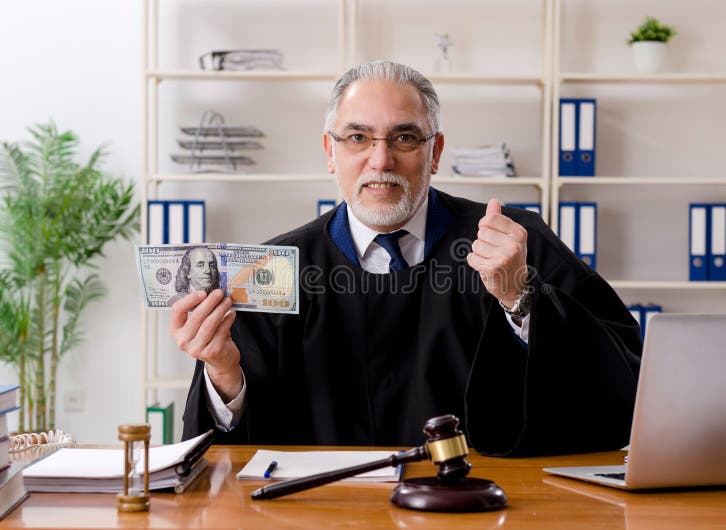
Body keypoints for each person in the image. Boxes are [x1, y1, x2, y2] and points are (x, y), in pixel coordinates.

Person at [172, 61, 642, 456]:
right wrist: (224, 374)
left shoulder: (513, 244)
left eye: (404, 138)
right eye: (358, 137)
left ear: (434, 152)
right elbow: (223, 455)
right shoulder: (273, 271)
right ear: (329, 152)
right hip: (326, 515)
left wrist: (520, 301)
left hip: (483, 510)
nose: (380, 161)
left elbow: (622, 382)